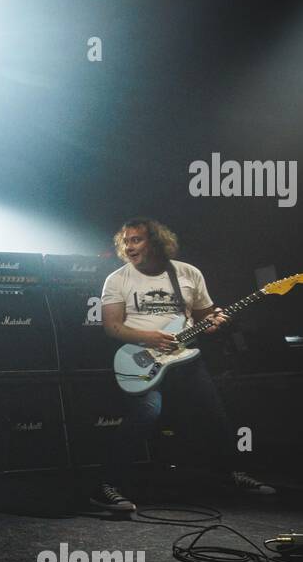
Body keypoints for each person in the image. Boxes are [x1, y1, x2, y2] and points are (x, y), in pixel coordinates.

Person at [92, 217, 275, 515]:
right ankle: (106, 485)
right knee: (147, 412)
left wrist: (215, 322)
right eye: (126, 241)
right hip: (140, 359)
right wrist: (149, 336)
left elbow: (206, 317)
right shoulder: (118, 279)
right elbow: (112, 327)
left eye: (136, 239)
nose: (129, 246)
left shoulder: (188, 274)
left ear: (156, 242)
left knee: (214, 413)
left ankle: (231, 474)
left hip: (185, 357)